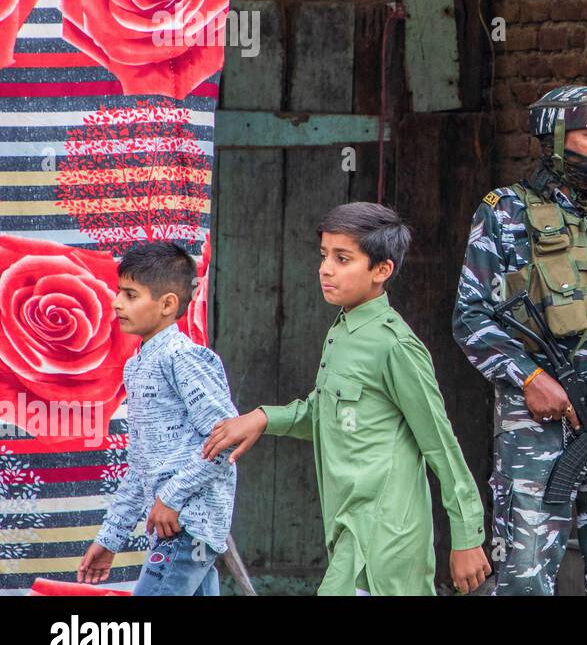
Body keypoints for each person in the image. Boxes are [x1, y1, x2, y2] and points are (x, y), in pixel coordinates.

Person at [202, 202, 491, 595]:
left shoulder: (395, 345)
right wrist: (263, 418)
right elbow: (325, 413)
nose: (326, 268)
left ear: (381, 270)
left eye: (342, 259)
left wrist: (467, 536)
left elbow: (440, 444)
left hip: (384, 540)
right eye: (324, 256)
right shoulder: (343, 331)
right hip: (349, 531)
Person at [453, 85, 587, 594]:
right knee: (525, 577)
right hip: (537, 429)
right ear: (555, 140)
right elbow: (470, 318)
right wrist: (529, 376)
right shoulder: (505, 213)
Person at [77, 242, 237, 596]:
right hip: (176, 523)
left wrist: (172, 496)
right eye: (119, 292)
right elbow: (140, 466)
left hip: (188, 524)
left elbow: (228, 437)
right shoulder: (137, 366)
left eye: (131, 294)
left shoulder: (185, 358)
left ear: (167, 304)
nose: (117, 302)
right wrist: (111, 538)